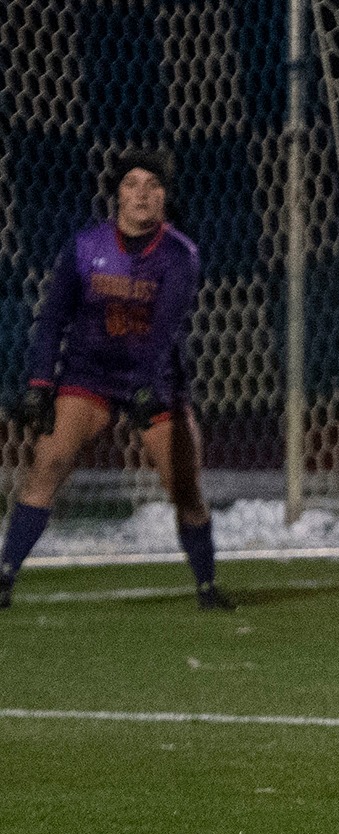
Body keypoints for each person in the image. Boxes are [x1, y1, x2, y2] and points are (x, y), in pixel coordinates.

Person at [0, 150, 231, 611]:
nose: (142, 194)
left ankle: (207, 586)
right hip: (90, 374)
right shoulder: (86, 248)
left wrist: (149, 386)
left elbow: (165, 329)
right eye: (132, 184)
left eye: (153, 185)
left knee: (183, 485)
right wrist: (40, 382)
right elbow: (52, 321)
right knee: (50, 461)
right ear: (117, 196)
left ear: (165, 195)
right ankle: (4, 578)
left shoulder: (179, 255)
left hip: (155, 379)